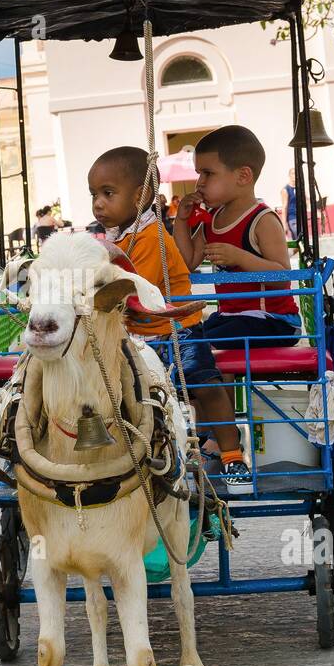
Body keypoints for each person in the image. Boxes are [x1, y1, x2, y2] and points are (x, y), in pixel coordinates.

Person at [88, 147, 249, 481]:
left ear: (140, 196)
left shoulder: (151, 237)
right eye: (94, 195)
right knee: (139, 399)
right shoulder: (124, 236)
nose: (98, 204)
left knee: (203, 387)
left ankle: (233, 455)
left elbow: (133, 286)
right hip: (141, 335)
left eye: (108, 193)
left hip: (178, 331)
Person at [173, 124, 301, 356]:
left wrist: (239, 257)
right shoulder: (212, 220)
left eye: (208, 173)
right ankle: (220, 392)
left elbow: (282, 278)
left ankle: (218, 391)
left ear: (243, 176)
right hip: (230, 318)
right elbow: (187, 262)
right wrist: (181, 221)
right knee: (189, 335)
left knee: (210, 341)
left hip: (273, 321)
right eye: (198, 174)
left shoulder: (262, 220)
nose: (199, 183)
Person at [280, 169, 298, 240]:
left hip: (300, 217)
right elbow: (284, 207)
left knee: (299, 241)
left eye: (296, 173)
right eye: (293, 173)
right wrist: (284, 224)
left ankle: (295, 251)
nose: (295, 176)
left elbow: (307, 201)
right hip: (292, 218)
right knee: (299, 239)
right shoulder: (285, 190)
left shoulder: (299, 188)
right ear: (289, 175)